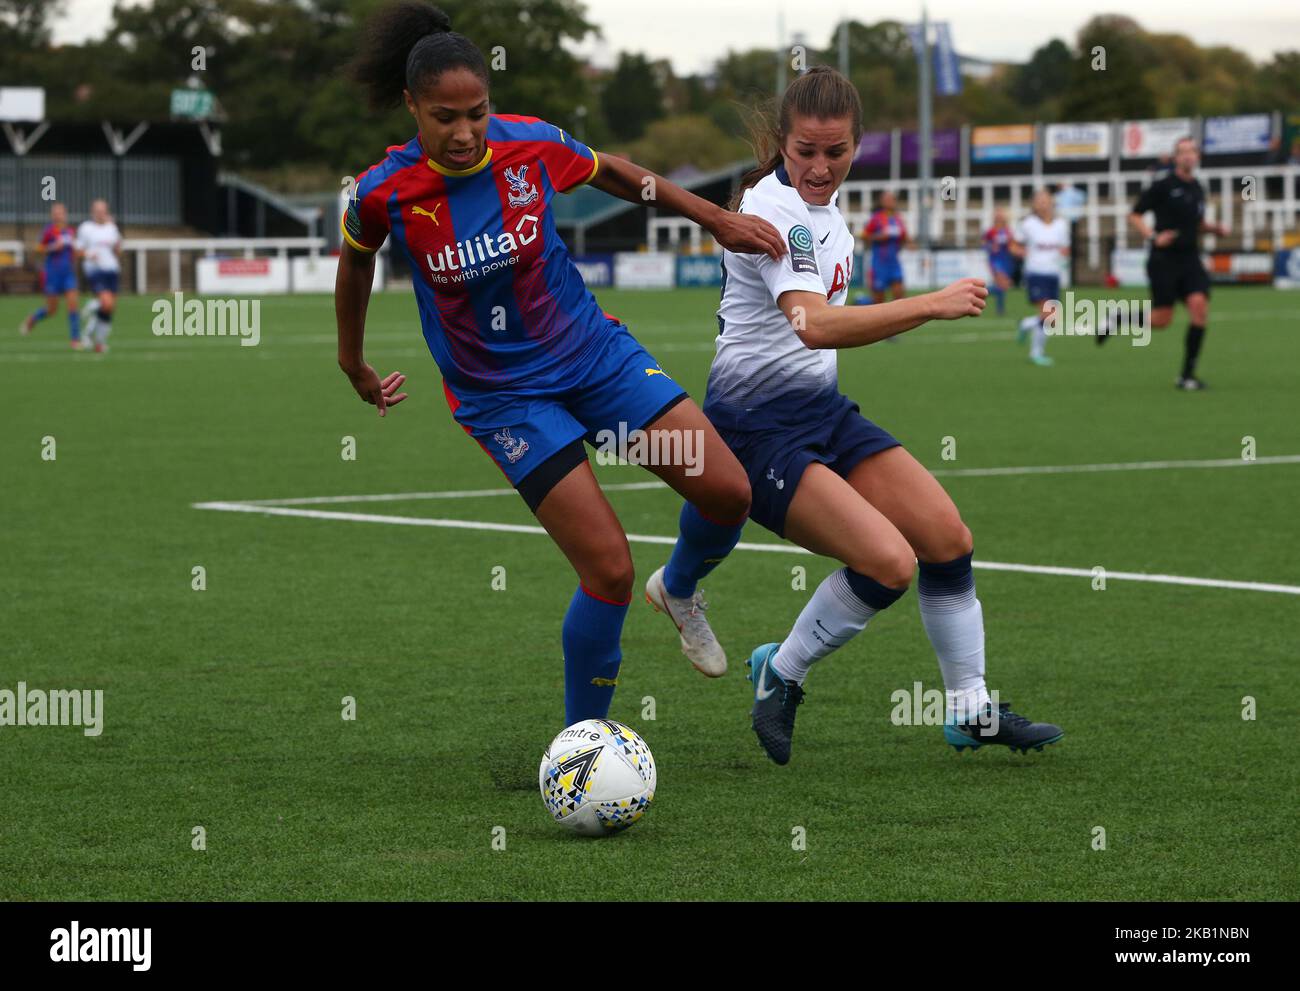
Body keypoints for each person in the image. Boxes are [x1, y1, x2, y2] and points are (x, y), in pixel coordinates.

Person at [336, 1, 786, 725]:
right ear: (411, 105)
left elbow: (619, 174)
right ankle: (584, 744)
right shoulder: (383, 191)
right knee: (608, 569)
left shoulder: (532, 146)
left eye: (477, 113)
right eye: (444, 117)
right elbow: (355, 266)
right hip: (504, 401)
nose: (463, 132)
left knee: (728, 492)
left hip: (596, 361)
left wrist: (716, 217)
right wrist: (351, 362)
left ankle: (679, 586)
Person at [648, 67, 1063, 764]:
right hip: (757, 429)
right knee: (888, 563)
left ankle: (969, 709)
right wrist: (931, 303)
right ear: (783, 142)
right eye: (805, 150)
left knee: (947, 539)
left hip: (824, 412)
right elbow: (812, 324)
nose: (818, 166)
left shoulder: (830, 214)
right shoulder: (773, 209)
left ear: (857, 147)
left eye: (834, 152)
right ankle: (780, 672)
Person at [1097, 137, 1227, 390]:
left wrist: (1213, 229)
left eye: (1192, 151)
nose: (1188, 156)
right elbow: (1135, 215)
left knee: (1199, 309)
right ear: (1175, 158)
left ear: (1197, 156)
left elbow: (1196, 223)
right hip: (1163, 260)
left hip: (1190, 258)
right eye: (1183, 152)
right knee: (1161, 320)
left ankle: (1187, 376)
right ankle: (1119, 319)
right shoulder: (1163, 185)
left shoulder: (1199, 188)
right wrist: (1153, 236)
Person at [1010, 190, 1069, 367]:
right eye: (1039, 201)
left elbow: (1065, 248)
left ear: (1052, 202)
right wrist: (1021, 252)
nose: (1043, 203)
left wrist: (1063, 257)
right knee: (1048, 314)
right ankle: (1036, 353)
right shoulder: (1028, 224)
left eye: (1046, 200)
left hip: (1053, 274)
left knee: (1053, 317)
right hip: (1036, 273)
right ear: (1034, 204)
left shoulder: (1061, 224)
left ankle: (1026, 325)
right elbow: (1013, 245)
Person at [20, 203, 82, 347]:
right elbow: (38, 249)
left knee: (73, 304)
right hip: (52, 273)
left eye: (60, 213)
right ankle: (33, 318)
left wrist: (77, 253)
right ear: (52, 215)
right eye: (55, 213)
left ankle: (75, 339)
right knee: (52, 309)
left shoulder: (70, 231)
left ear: (65, 214)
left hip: (68, 274)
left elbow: (74, 251)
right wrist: (53, 247)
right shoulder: (48, 231)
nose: (58, 215)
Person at [75, 199, 123, 353]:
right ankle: (91, 305)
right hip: (95, 270)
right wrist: (89, 255)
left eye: (103, 211)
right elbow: (78, 251)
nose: (101, 214)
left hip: (112, 270)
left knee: (109, 308)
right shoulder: (86, 228)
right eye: (98, 211)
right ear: (92, 212)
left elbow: (117, 250)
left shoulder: (111, 228)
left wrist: (117, 245)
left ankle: (98, 342)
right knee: (106, 303)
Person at [863, 190, 907, 305]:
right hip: (879, 264)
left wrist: (905, 243)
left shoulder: (898, 218)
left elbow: (904, 236)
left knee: (900, 297)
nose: (890, 202)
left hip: (894, 263)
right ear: (882, 202)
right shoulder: (876, 218)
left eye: (892, 199)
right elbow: (864, 236)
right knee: (878, 301)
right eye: (887, 199)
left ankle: (898, 321)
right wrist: (879, 237)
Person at [981, 206, 1014, 316]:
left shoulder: (1007, 230)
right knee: (1001, 283)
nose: (1000, 217)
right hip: (995, 260)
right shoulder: (991, 231)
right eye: (998, 214)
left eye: (1001, 214)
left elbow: (1012, 244)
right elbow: (984, 244)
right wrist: (991, 247)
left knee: (1003, 286)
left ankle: (984, 294)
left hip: (1006, 259)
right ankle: (980, 293)